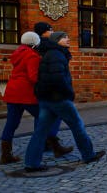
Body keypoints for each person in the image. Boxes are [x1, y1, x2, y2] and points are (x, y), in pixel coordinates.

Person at [24, 32, 106, 172]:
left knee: (41, 131)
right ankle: (88, 155)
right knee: (77, 125)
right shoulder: (56, 54)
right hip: (58, 99)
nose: (68, 39)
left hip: (46, 99)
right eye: (64, 37)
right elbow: (58, 79)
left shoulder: (49, 53)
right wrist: (69, 93)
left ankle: (31, 163)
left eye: (68, 36)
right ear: (57, 41)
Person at [0, 32, 41, 164]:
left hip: (12, 91)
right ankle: (48, 144)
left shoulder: (18, 53)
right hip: (26, 93)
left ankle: (6, 154)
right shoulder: (32, 55)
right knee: (44, 117)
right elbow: (33, 76)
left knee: (11, 123)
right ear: (35, 43)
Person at [33, 21, 73, 158]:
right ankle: (52, 143)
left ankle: (39, 153)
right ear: (44, 32)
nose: (52, 31)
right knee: (74, 124)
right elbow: (57, 76)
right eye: (50, 29)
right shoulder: (51, 49)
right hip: (53, 93)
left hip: (44, 90)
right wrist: (68, 92)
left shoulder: (41, 47)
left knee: (42, 121)